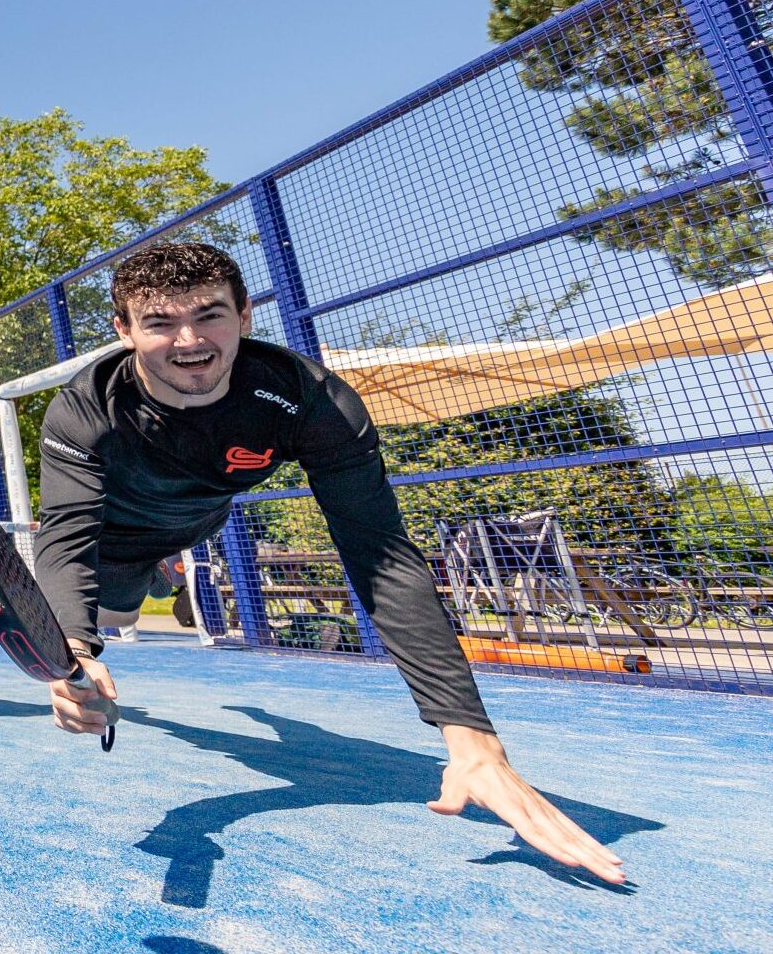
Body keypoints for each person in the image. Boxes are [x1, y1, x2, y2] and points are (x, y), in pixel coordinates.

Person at [34, 240, 627, 884]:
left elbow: (381, 555)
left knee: (155, 586)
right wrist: (69, 650)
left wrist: (472, 739)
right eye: (159, 323)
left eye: (209, 315)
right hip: (112, 537)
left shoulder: (309, 399)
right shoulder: (87, 404)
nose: (189, 339)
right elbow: (66, 533)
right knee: (112, 613)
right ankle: (145, 584)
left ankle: (163, 576)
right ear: (124, 332)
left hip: (199, 516)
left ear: (246, 316)